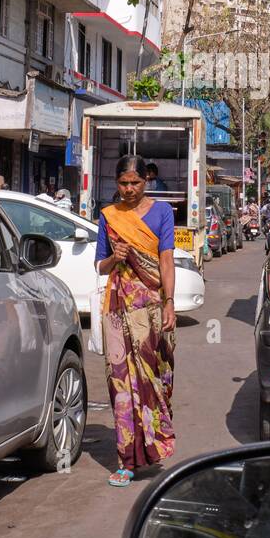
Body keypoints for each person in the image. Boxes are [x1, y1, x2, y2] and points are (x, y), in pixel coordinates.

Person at [96, 155, 177, 486]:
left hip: (151, 308)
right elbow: (99, 265)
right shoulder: (109, 216)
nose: (129, 189)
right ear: (117, 184)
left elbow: (166, 261)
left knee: (154, 379)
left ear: (147, 182)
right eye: (124, 183)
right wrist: (114, 258)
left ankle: (155, 445)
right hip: (117, 308)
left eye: (136, 183)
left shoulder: (162, 213)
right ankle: (127, 459)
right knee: (121, 383)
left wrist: (170, 303)